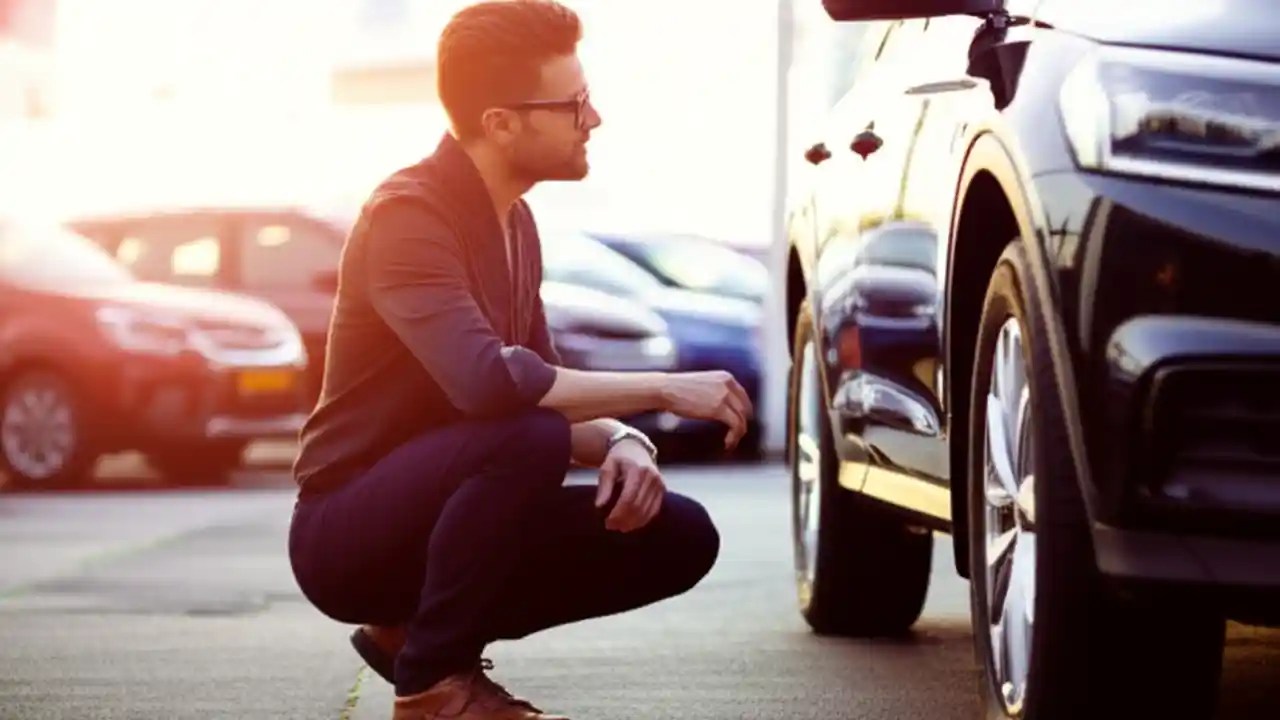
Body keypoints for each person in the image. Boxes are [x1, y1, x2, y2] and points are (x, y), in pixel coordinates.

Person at [287, 2, 755, 718]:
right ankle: (433, 686)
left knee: (678, 533)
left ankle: (413, 637)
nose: (592, 119)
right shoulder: (408, 216)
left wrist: (624, 442)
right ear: (501, 123)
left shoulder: (517, 223)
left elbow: (541, 387)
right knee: (525, 436)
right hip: (347, 532)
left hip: (441, 504)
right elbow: (491, 385)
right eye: (572, 105)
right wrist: (663, 387)